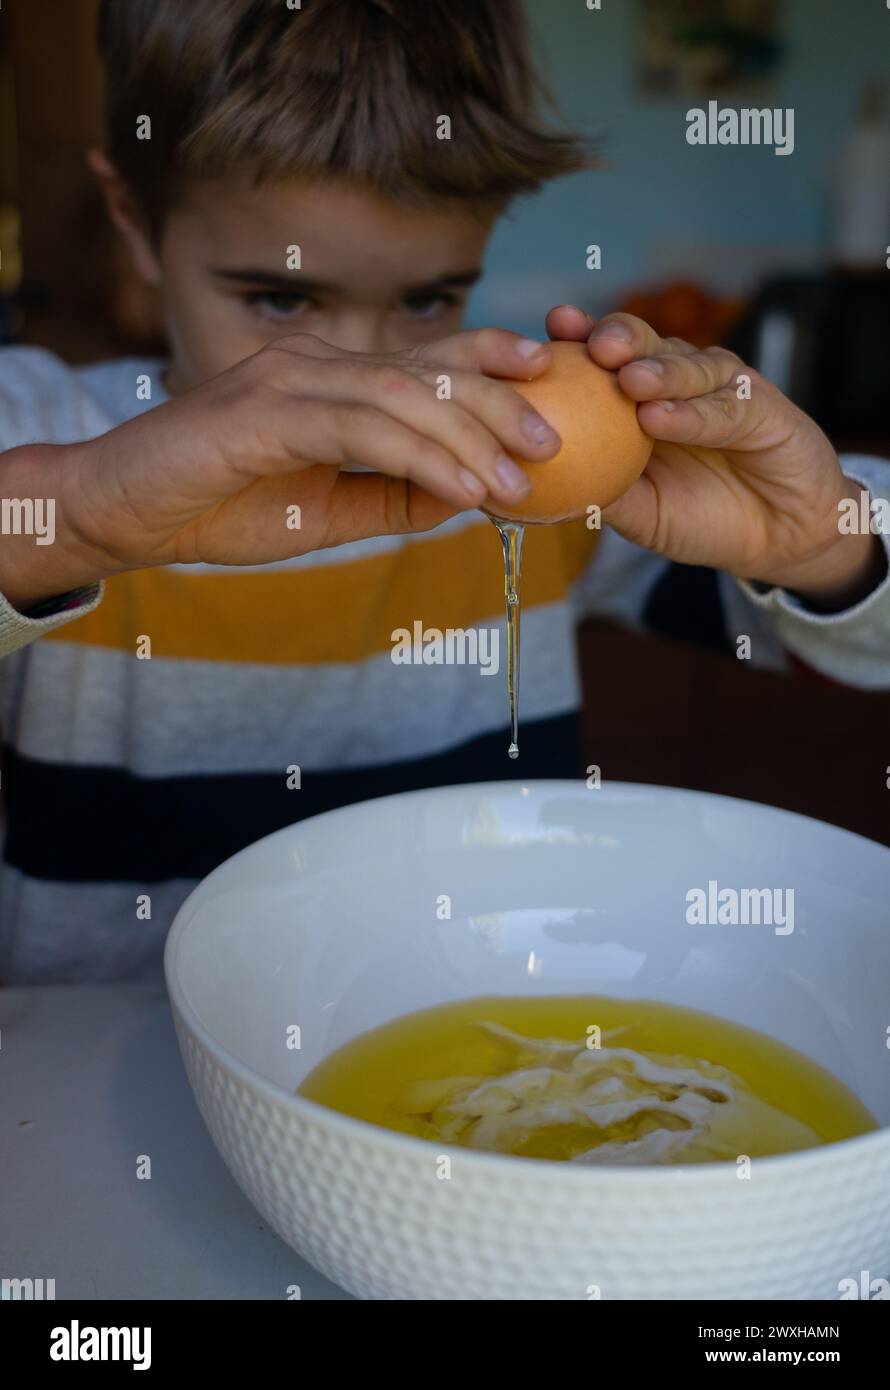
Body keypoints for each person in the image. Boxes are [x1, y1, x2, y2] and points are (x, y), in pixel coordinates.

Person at [1, 0, 888, 983]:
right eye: (279, 298)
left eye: (426, 298)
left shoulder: (522, 475)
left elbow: (855, 621)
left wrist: (826, 543)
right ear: (133, 223)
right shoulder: (44, 437)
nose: (369, 370)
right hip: (98, 1072)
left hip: (484, 1058)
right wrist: (71, 520)